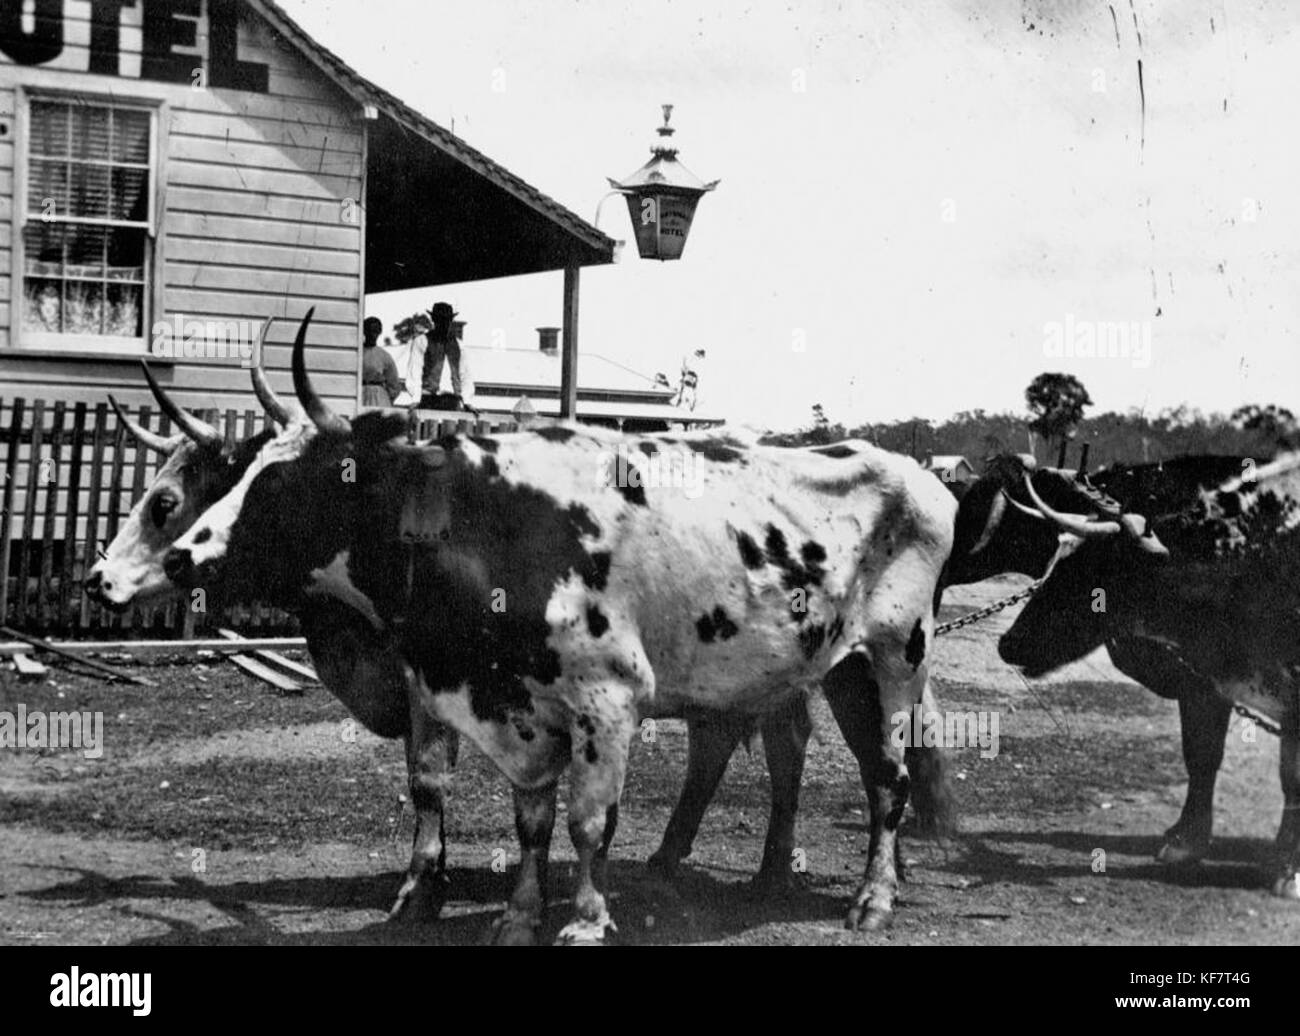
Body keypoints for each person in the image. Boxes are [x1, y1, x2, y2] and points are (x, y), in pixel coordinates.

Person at [419, 302, 474, 408]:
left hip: (452, 399)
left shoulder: (459, 345)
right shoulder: (423, 341)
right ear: (434, 320)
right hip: (429, 397)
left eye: (447, 320)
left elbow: (465, 374)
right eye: (440, 320)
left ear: (451, 321)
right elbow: (415, 371)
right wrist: (416, 398)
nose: (443, 323)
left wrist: (467, 401)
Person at [361, 316, 402, 407]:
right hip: (360, 394)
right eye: (369, 331)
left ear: (379, 332)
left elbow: (394, 383)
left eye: (375, 331)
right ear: (364, 331)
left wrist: (387, 397)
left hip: (378, 397)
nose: (372, 335)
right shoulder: (357, 353)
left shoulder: (384, 356)